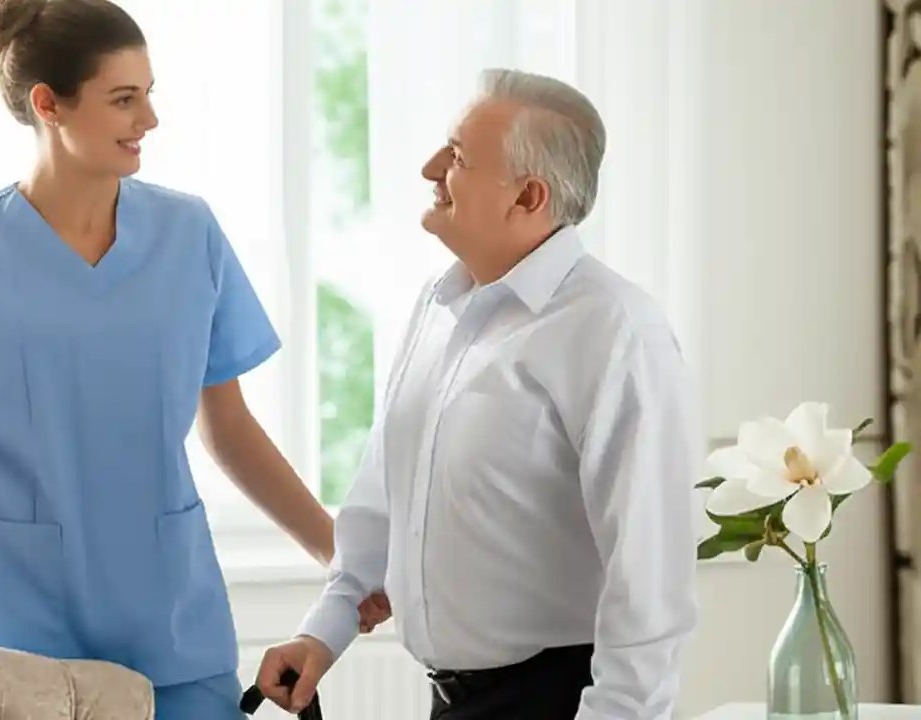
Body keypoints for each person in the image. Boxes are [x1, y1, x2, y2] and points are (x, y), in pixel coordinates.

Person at [0, 1, 375, 717]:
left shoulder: (188, 234)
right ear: (49, 105)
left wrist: (344, 561)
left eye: (148, 94)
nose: (149, 119)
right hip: (17, 625)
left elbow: (228, 428)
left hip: (170, 621)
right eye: (124, 99)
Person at [254, 68, 700, 719]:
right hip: (453, 702)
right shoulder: (438, 305)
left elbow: (649, 575)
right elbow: (387, 493)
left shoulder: (615, 330)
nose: (431, 168)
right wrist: (324, 630)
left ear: (528, 196)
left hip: (560, 702)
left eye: (458, 156)